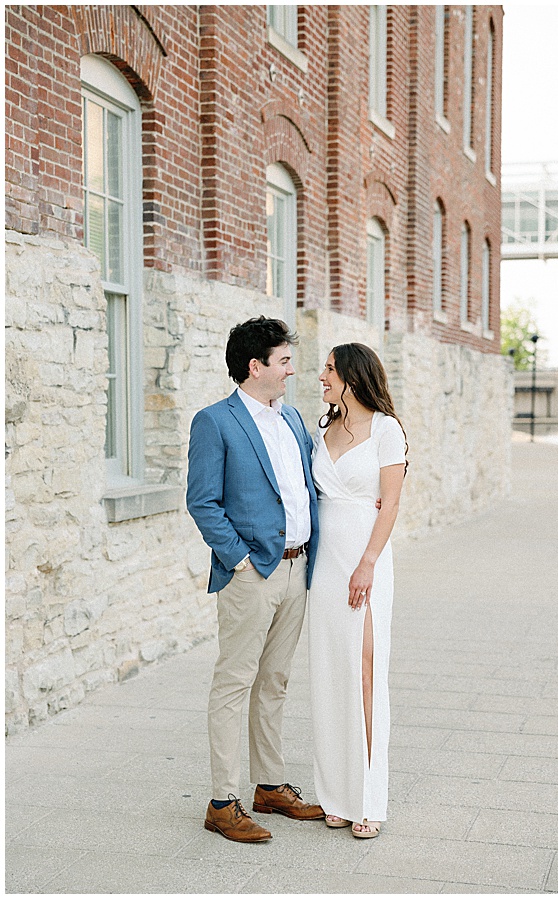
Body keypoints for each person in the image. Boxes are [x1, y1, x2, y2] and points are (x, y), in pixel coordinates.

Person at [187, 317, 325, 843]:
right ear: (255, 366)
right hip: (252, 575)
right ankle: (223, 801)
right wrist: (241, 561)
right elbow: (202, 500)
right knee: (234, 683)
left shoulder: (291, 419)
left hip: (297, 568)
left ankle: (269, 786)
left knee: (275, 683)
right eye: (284, 361)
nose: (292, 371)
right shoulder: (215, 422)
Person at [308, 343, 408, 839]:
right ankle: (336, 794)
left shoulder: (387, 430)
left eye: (329, 368)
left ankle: (369, 797)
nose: (321, 375)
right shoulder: (322, 430)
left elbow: (389, 505)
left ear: (351, 375)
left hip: (364, 561)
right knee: (329, 673)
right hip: (325, 565)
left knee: (366, 673)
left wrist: (367, 563)